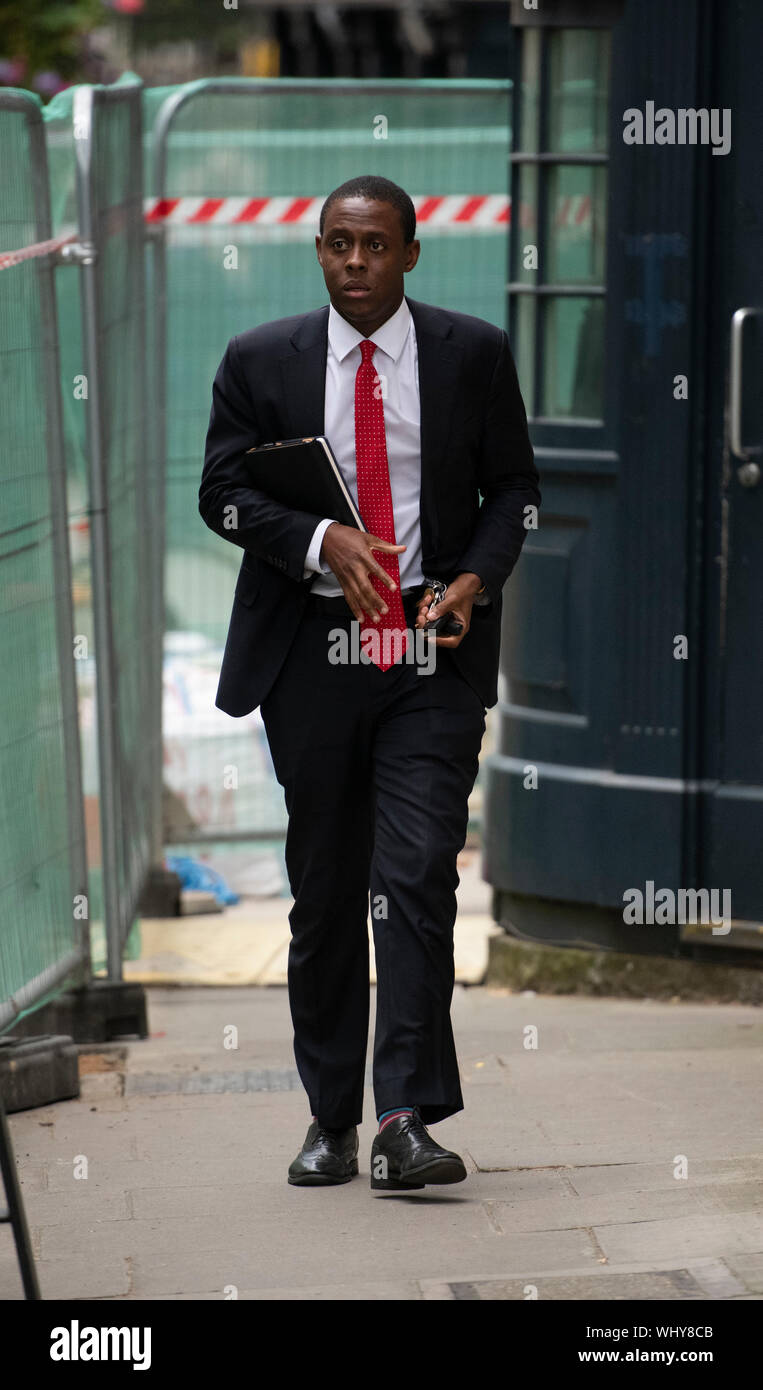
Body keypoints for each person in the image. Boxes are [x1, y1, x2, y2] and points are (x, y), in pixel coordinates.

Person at [200, 174, 540, 1192]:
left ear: (410, 253)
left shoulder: (472, 353)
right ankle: (328, 1119)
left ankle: (403, 1118)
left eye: (376, 244)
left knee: (419, 871)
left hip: (429, 651)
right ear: (318, 250)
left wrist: (475, 577)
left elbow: (514, 489)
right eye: (339, 244)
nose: (356, 262)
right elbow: (221, 494)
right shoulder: (260, 359)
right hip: (310, 656)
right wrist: (319, 538)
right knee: (326, 892)